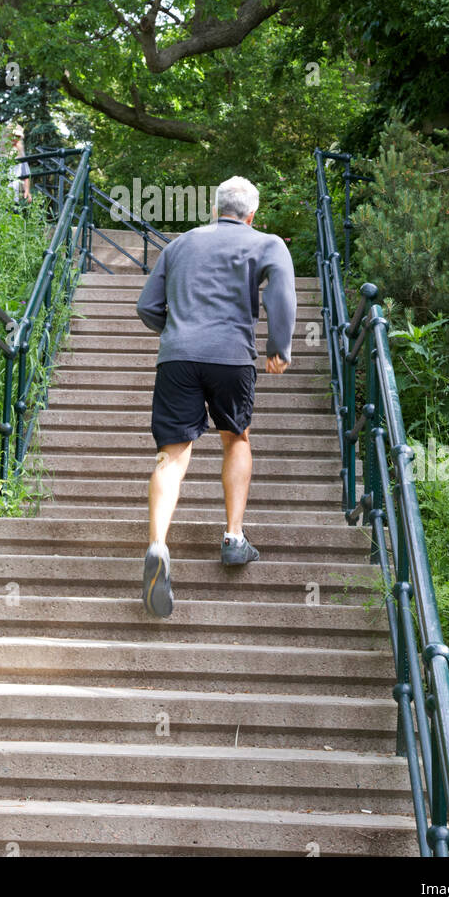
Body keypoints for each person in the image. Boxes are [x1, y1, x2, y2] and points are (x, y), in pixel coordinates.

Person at [135, 175, 297, 618]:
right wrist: (279, 347)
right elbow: (281, 293)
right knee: (236, 437)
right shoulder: (267, 243)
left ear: (214, 209)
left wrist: (175, 333)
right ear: (251, 214)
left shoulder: (180, 244)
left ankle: (157, 545)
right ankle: (233, 538)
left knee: (172, 455)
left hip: (177, 359)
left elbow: (147, 308)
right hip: (231, 358)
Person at [8, 126, 32, 206]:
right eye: (14, 136)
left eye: (18, 137)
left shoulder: (20, 153)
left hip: (14, 194)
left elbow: (25, 174)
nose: (15, 139)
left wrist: (27, 191)